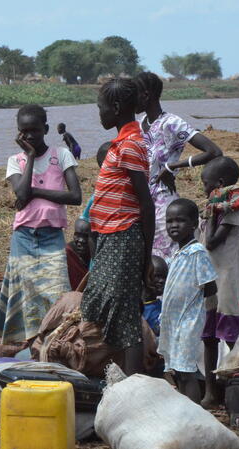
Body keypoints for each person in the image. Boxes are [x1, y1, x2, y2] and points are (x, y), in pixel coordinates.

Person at [81, 78, 154, 376]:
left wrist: (146, 257)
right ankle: (114, 374)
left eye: (100, 108)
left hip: (125, 237)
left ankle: (134, 383)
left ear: (115, 107)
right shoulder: (121, 144)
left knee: (123, 314)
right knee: (100, 302)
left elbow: (146, 204)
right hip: (111, 237)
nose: (98, 114)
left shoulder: (131, 145)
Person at [0, 105, 81, 345]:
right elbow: (20, 194)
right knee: (27, 297)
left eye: (35, 131)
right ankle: (31, 345)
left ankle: (54, 341)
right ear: (19, 133)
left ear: (46, 129)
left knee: (56, 291)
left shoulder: (61, 155)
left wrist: (36, 192)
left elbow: (75, 196)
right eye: (24, 132)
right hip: (23, 237)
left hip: (52, 236)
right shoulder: (15, 160)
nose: (30, 136)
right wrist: (30, 157)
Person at [135, 71, 222, 259]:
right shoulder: (140, 123)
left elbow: (213, 151)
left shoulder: (172, 123)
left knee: (167, 257)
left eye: (134, 93)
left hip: (164, 204)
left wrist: (173, 167)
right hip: (143, 202)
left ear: (146, 95)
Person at [157, 199, 218, 403]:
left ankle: (195, 414)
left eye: (180, 220)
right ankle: (185, 412)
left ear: (193, 224)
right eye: (169, 221)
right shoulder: (177, 253)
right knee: (178, 371)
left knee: (186, 371)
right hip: (173, 322)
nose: (173, 225)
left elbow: (210, 286)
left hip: (188, 321)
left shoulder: (197, 252)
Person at [199, 156, 239, 407]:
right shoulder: (217, 207)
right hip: (210, 276)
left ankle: (236, 387)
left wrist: (209, 213)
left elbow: (211, 241)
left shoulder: (231, 209)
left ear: (219, 183)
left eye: (206, 184)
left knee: (230, 334)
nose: (204, 190)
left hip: (226, 275)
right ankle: (211, 391)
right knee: (208, 336)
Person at [143, 255, 167, 336]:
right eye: (157, 276)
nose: (162, 281)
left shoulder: (163, 309)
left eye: (165, 277)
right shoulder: (134, 306)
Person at [65, 219, 92, 290]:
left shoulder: (98, 255)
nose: (81, 240)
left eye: (86, 236)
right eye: (77, 235)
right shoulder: (67, 253)